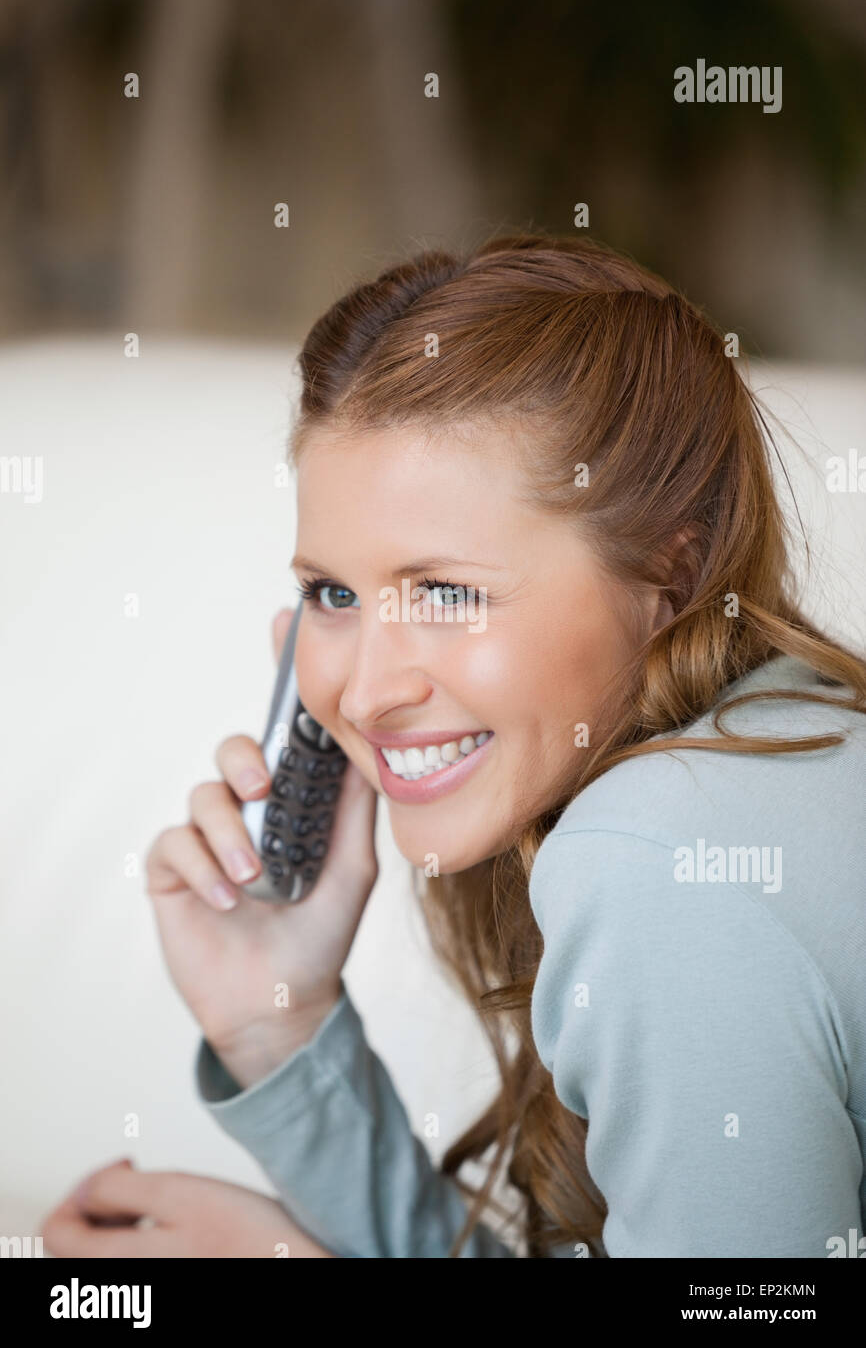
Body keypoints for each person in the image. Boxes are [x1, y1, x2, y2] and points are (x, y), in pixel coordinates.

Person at [42, 234, 866, 1258]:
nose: (367, 690)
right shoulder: (793, 732)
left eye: (446, 592)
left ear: (670, 575)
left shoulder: (658, 857)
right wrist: (276, 1025)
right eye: (331, 594)